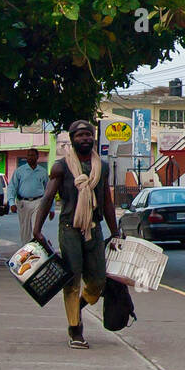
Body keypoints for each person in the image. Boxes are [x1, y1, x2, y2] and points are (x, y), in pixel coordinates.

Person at [33, 121, 122, 349]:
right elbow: (47, 198)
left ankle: (77, 306)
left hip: (94, 227)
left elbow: (107, 201)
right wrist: (37, 229)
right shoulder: (61, 167)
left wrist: (115, 232)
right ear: (72, 139)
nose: (85, 138)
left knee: (98, 281)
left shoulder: (102, 167)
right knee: (72, 280)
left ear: (93, 138)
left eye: (88, 135)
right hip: (69, 228)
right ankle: (75, 329)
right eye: (80, 135)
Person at [8, 148, 53, 245]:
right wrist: (11, 202)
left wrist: (51, 208)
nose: (30, 157)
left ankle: (35, 250)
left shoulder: (42, 171)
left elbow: (48, 191)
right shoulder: (19, 171)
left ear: (37, 157)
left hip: (38, 202)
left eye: (33, 155)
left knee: (36, 229)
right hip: (23, 203)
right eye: (29, 155)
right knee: (25, 230)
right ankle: (26, 251)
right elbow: (12, 187)